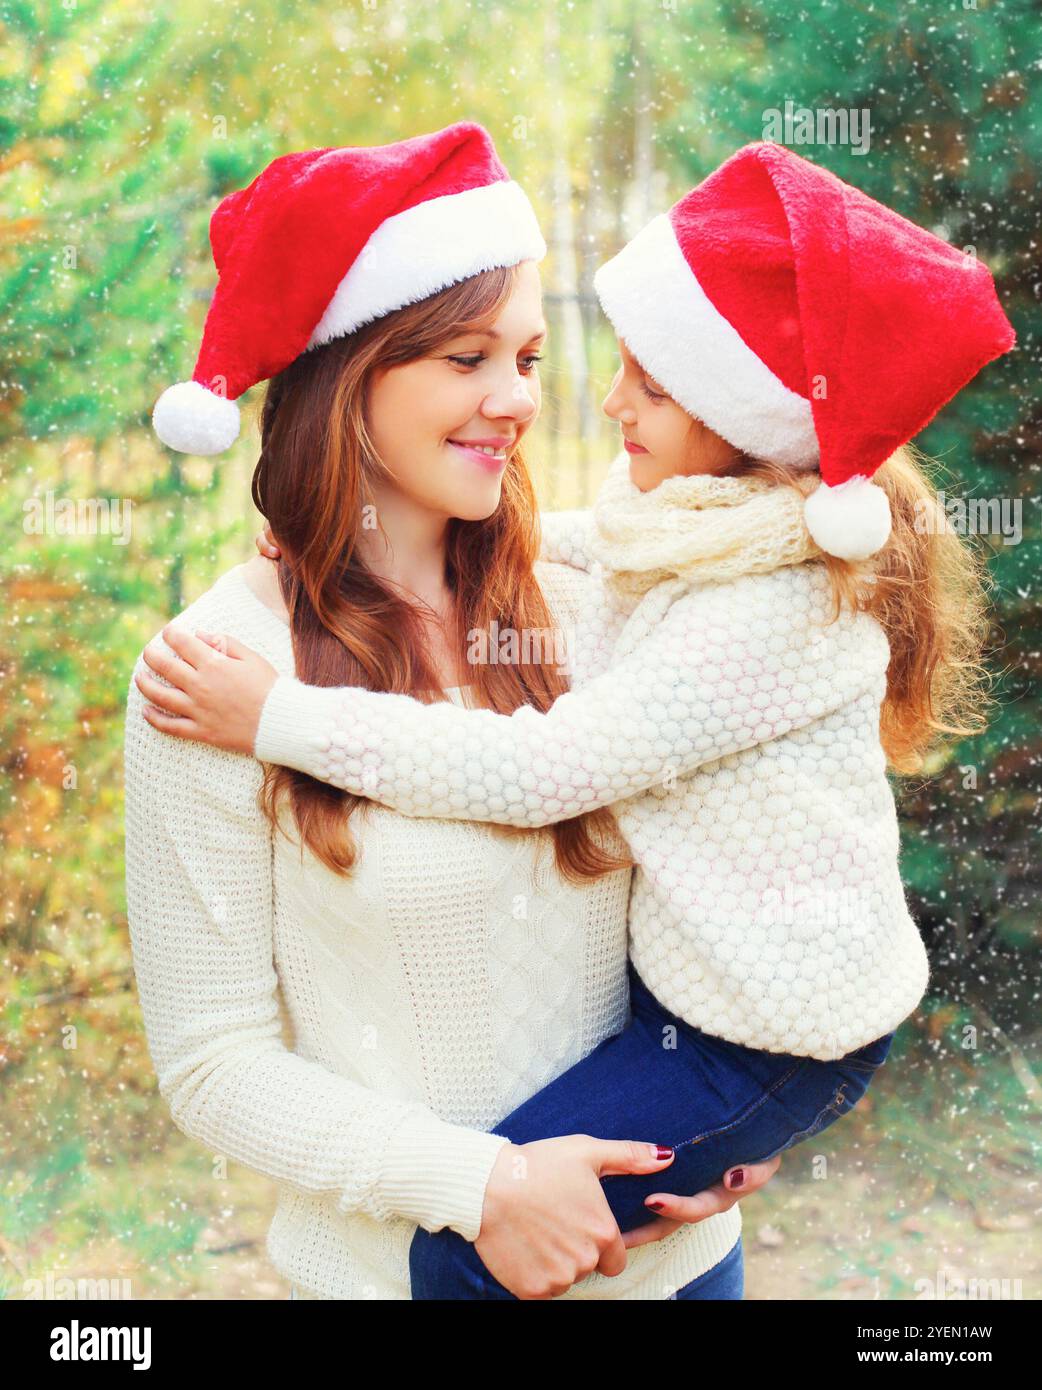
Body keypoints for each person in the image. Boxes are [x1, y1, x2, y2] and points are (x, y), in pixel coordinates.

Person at [138, 141, 1015, 1299]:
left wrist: (734, 1117)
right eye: (469, 357)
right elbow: (214, 1065)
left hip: (676, 1264)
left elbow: (742, 844)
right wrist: (482, 1187)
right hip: (412, 1276)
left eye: (530, 356)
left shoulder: (612, 603)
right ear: (343, 378)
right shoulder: (215, 677)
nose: (524, 398)